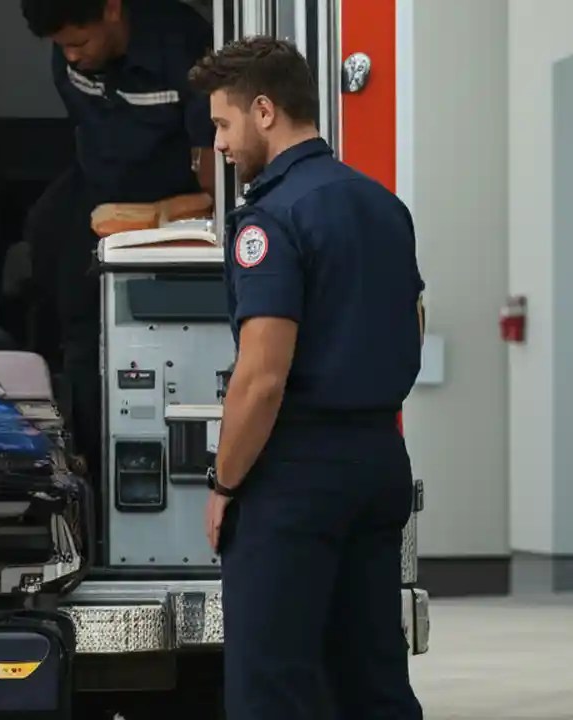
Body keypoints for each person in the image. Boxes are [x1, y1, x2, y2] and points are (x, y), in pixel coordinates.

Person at [191, 38, 425, 719]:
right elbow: (409, 326)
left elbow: (262, 377)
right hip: (379, 458)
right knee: (373, 681)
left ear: (264, 111)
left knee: (273, 686)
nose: (220, 144)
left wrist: (224, 483)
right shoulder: (383, 205)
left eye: (223, 124)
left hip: (296, 473)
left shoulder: (271, 217)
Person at [18, 0, 216, 493]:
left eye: (78, 43)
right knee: (46, 236)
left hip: (174, 201)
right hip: (98, 192)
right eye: (61, 48)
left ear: (111, 9)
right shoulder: (71, 55)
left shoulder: (183, 44)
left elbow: (215, 162)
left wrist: (191, 211)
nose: (71, 59)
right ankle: (84, 469)